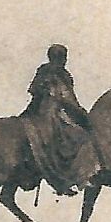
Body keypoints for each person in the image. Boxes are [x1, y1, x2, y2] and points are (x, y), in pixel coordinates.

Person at [24, 44, 91, 195]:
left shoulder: (49, 71)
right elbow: (68, 99)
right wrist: (80, 112)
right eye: (62, 57)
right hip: (51, 111)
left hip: (38, 110)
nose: (63, 60)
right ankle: (67, 177)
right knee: (75, 135)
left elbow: (34, 89)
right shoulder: (58, 74)